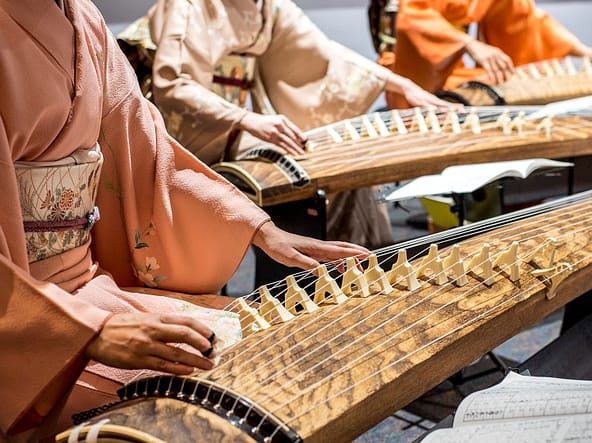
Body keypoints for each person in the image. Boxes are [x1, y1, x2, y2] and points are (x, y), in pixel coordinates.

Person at [0, 0, 370, 440]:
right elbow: (172, 87)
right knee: (189, 409)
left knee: (261, 350)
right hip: (30, 317)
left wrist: (259, 229)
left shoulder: (83, 17)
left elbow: (144, 144)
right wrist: (82, 333)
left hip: (89, 286)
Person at [146, 0, 460, 248]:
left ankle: (360, 266)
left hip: (236, 124)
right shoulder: (187, 5)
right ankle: (324, 269)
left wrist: (400, 85)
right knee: (303, 166)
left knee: (342, 165)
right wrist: (246, 118)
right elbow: (173, 83)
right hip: (195, 131)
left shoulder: (268, 5)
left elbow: (324, 55)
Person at [383, 0, 592, 108]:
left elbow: (525, 20)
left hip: (453, 72)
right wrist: (467, 42)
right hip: (411, 73)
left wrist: (584, 52)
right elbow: (412, 18)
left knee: (505, 91)